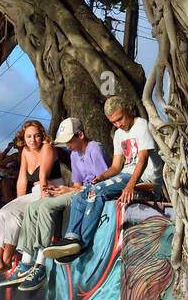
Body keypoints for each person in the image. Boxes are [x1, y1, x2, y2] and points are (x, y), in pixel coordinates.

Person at [41, 96, 162, 261]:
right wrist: (101, 177)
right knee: (81, 194)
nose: (118, 124)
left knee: (96, 192)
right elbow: (116, 167)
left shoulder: (141, 126)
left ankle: (82, 243)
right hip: (124, 175)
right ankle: (71, 238)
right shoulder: (118, 134)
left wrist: (130, 185)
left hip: (143, 177)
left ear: (128, 110)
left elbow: (143, 159)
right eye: (113, 122)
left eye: (120, 119)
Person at [0, 116, 112, 290]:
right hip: (77, 192)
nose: (67, 146)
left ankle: (41, 265)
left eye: (69, 141)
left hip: (89, 194)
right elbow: (77, 185)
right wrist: (66, 190)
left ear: (80, 135)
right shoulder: (74, 155)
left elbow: (101, 184)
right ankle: (26, 262)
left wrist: (69, 190)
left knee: (45, 205)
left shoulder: (94, 149)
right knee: (32, 207)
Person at [0, 120, 56, 280]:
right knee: (3, 213)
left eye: (36, 136)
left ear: (42, 136)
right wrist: (18, 202)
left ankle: (7, 259)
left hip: (50, 189)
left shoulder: (47, 148)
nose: (33, 140)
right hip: (35, 191)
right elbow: (22, 179)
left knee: (13, 213)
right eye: (29, 136)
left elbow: (43, 177)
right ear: (23, 138)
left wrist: (37, 202)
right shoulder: (25, 152)